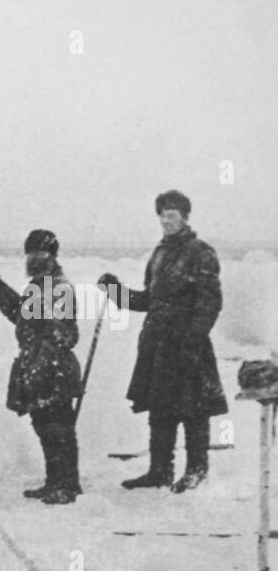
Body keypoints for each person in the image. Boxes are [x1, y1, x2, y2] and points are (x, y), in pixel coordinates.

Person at [99, 190, 227, 492]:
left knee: (193, 409)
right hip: (157, 343)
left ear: (184, 216)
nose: (165, 221)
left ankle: (197, 470)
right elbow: (148, 300)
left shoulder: (201, 252)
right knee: (160, 409)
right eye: (162, 216)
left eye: (171, 215)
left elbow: (209, 303)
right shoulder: (159, 254)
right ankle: (160, 471)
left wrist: (192, 340)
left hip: (187, 343)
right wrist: (115, 291)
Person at [0, 229, 83, 504]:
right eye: (31, 253)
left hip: (54, 369)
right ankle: (55, 481)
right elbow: (20, 315)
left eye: (40, 253)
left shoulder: (58, 286)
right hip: (37, 366)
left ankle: (68, 485)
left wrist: (44, 357)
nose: (34, 258)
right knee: (44, 426)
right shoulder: (38, 287)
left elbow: (66, 333)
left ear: (52, 255)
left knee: (59, 427)